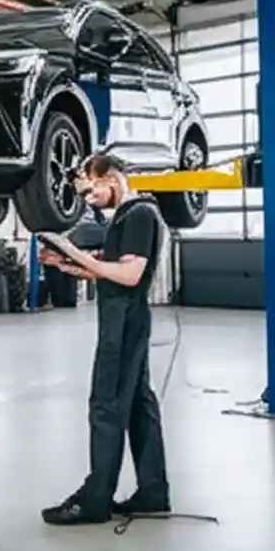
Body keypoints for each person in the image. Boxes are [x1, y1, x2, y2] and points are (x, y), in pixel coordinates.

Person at [38, 153, 170, 526]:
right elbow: (111, 267)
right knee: (139, 405)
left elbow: (129, 274)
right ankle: (152, 493)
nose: (88, 199)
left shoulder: (139, 214)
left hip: (123, 321)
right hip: (125, 319)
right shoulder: (126, 217)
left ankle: (96, 499)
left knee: (106, 405)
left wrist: (76, 253)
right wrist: (68, 263)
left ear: (110, 178)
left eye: (90, 190)